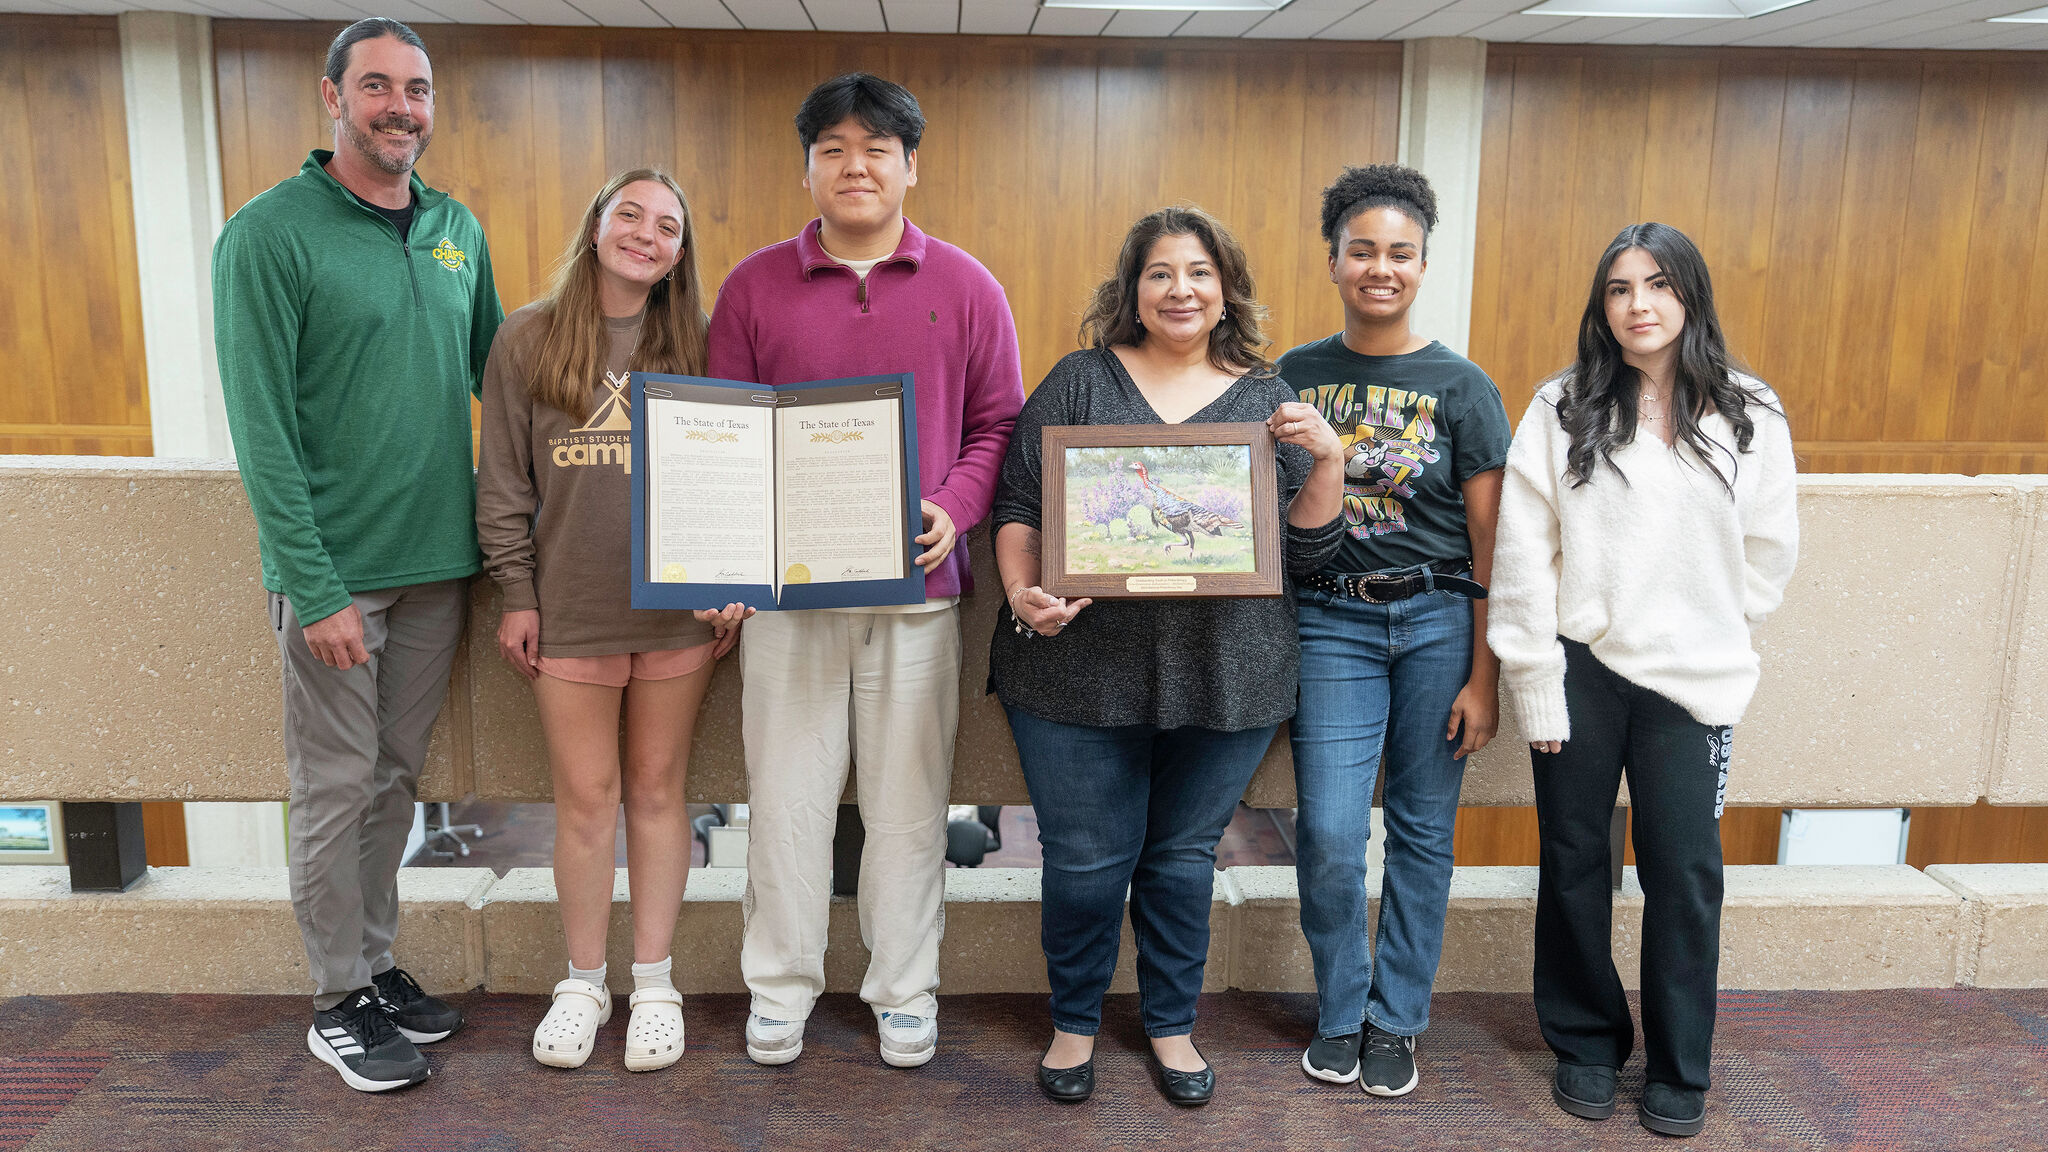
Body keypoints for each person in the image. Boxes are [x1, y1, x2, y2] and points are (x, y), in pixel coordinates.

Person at [990, 206, 1345, 1106]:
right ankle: (1074, 1023)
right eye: (1159, 273)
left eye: (1198, 273)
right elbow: (1020, 505)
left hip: (1228, 671)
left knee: (1184, 860)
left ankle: (1171, 1025)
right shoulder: (1078, 382)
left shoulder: (1268, 400)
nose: (1179, 290)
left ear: (1225, 291)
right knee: (1083, 863)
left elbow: (1304, 555)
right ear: (1133, 290)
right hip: (1076, 669)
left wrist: (1329, 464)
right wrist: (1022, 589)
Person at [707, 73, 1024, 1070]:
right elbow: (722, 437)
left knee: (907, 809)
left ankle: (903, 992)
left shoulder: (967, 286)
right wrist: (727, 563)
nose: (856, 166)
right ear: (807, 167)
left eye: (877, 149)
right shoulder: (751, 287)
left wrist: (955, 506)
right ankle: (779, 988)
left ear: (909, 166)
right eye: (834, 149)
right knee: (785, 803)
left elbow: (999, 425)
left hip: (917, 596)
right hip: (787, 599)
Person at [212, 17, 501, 1093]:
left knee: (391, 782)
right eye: (376, 86)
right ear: (332, 97)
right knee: (333, 788)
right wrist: (312, 583)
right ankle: (335, 1000)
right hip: (338, 578)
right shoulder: (268, 234)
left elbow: (501, 376)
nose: (400, 108)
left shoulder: (455, 227)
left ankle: (373, 966)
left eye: (416, 89)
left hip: (438, 568)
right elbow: (261, 431)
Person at [1488, 222, 1799, 1138]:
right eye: (1620, 289)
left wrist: (1711, 618)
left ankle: (1678, 1064)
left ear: (1690, 295)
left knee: (1685, 872)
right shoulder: (1562, 405)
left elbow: (1771, 548)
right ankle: (1586, 1045)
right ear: (1602, 305)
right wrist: (1534, 677)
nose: (1639, 305)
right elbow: (1523, 553)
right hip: (1580, 669)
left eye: (1658, 285)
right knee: (1574, 860)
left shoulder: (1750, 410)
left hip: (1693, 680)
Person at [477, 168, 750, 1073]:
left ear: (679, 254)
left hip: (679, 615)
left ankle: (656, 984)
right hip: (569, 608)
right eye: (629, 214)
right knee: (587, 801)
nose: (646, 234)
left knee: (660, 793)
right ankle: (585, 982)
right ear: (595, 226)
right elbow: (503, 484)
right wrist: (517, 592)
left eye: (668, 226)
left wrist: (731, 580)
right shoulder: (525, 338)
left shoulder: (702, 343)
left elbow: (735, 475)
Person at [1280, 165, 1510, 1097]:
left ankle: (1397, 1021)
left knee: (1421, 829)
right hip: (1329, 619)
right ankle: (1341, 1009)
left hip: (1438, 620)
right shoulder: (1291, 375)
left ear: (1423, 265)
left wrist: (1486, 677)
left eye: (1401, 253)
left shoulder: (1463, 386)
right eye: (1363, 250)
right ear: (1333, 260)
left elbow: (1494, 543)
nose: (1382, 268)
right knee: (1332, 834)